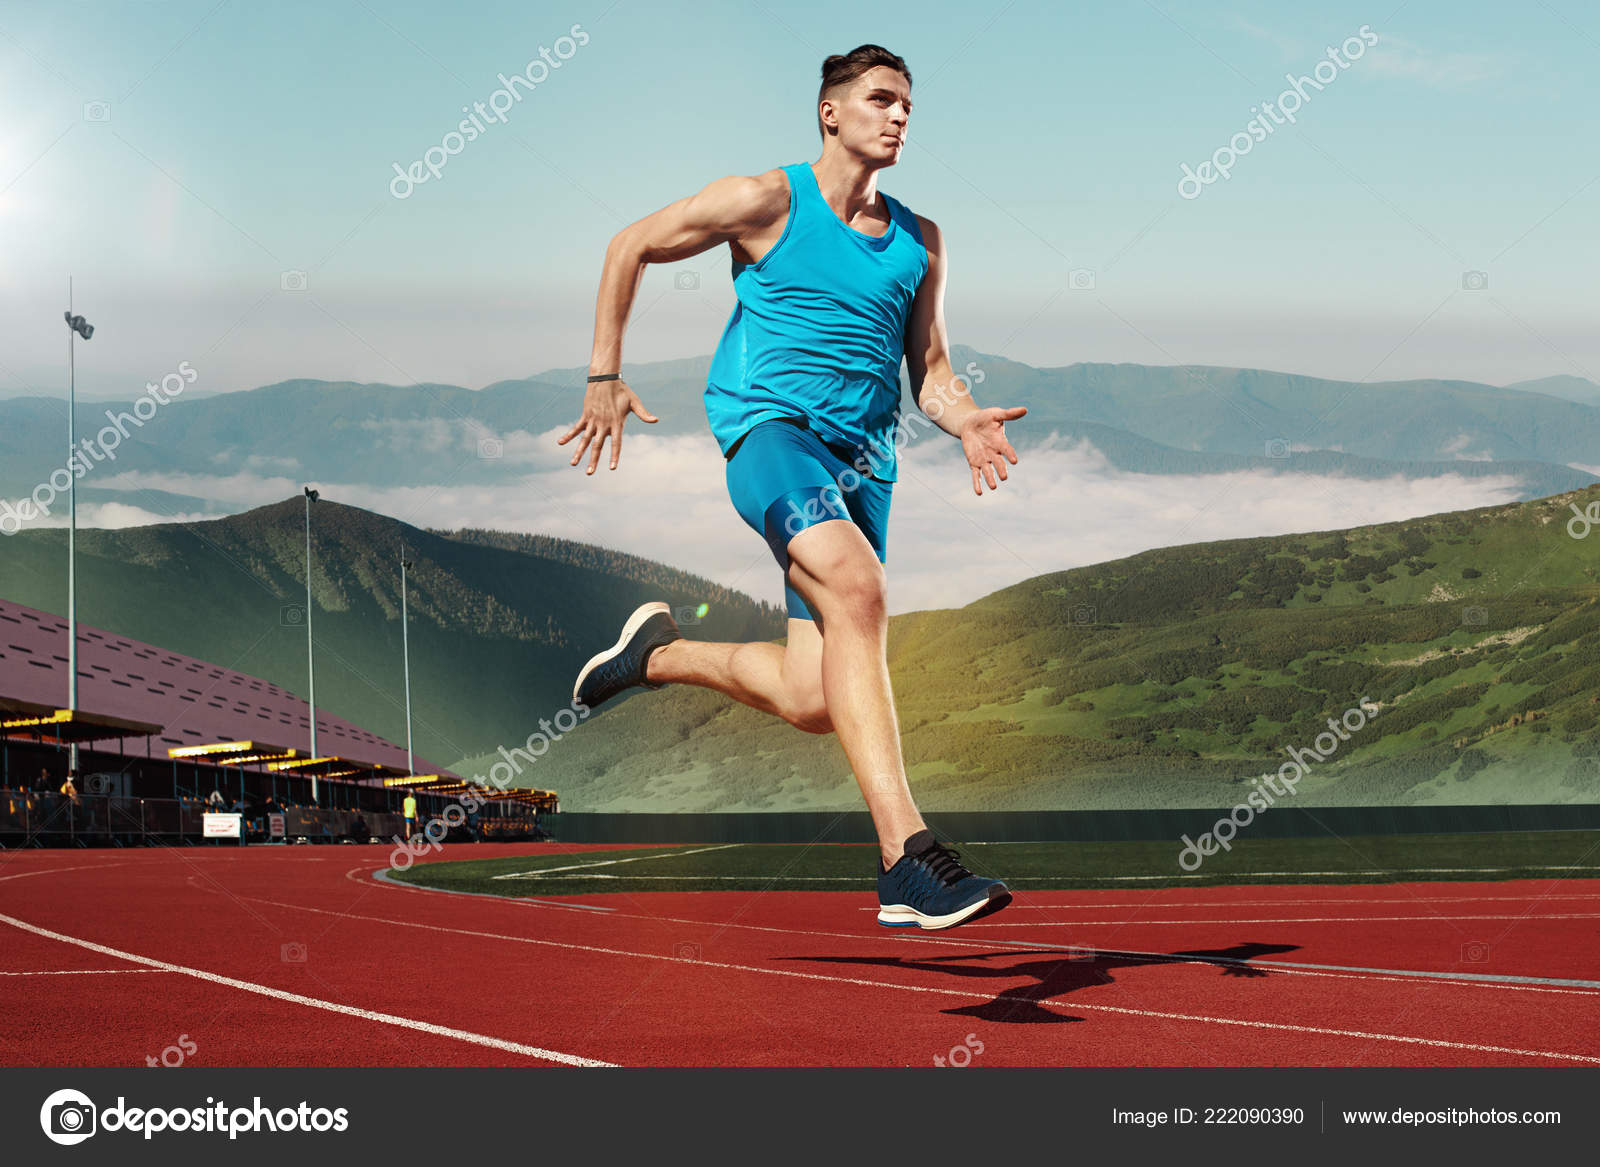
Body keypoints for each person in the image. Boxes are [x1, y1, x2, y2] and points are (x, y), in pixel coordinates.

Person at [561, 45, 1023, 931]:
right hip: (771, 440)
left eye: (908, 108)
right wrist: (601, 373)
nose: (898, 118)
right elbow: (633, 244)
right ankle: (907, 857)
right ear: (831, 113)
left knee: (815, 699)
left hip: (864, 470)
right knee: (859, 589)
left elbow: (929, 370)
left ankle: (654, 654)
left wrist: (963, 418)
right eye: (881, 101)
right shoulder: (769, 200)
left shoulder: (921, 240)